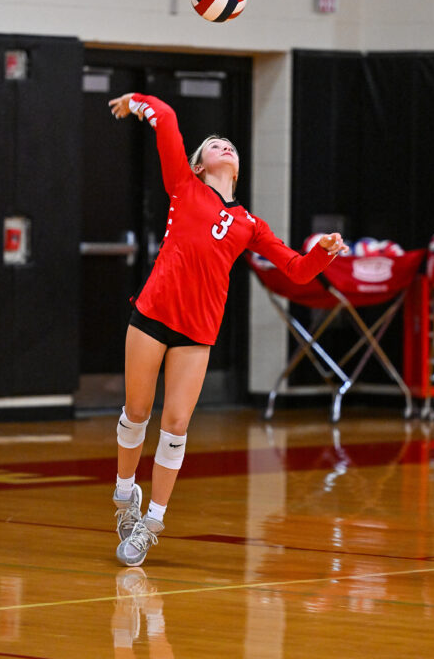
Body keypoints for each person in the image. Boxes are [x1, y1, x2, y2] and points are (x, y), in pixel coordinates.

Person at [108, 91, 348, 568]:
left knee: (175, 425)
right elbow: (168, 118)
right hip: (153, 314)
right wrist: (135, 101)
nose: (224, 146)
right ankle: (123, 496)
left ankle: (152, 522)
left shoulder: (249, 224)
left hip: (197, 331)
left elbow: (297, 270)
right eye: (214, 144)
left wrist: (323, 251)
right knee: (137, 412)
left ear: (236, 168)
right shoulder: (183, 185)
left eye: (229, 145)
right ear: (198, 166)